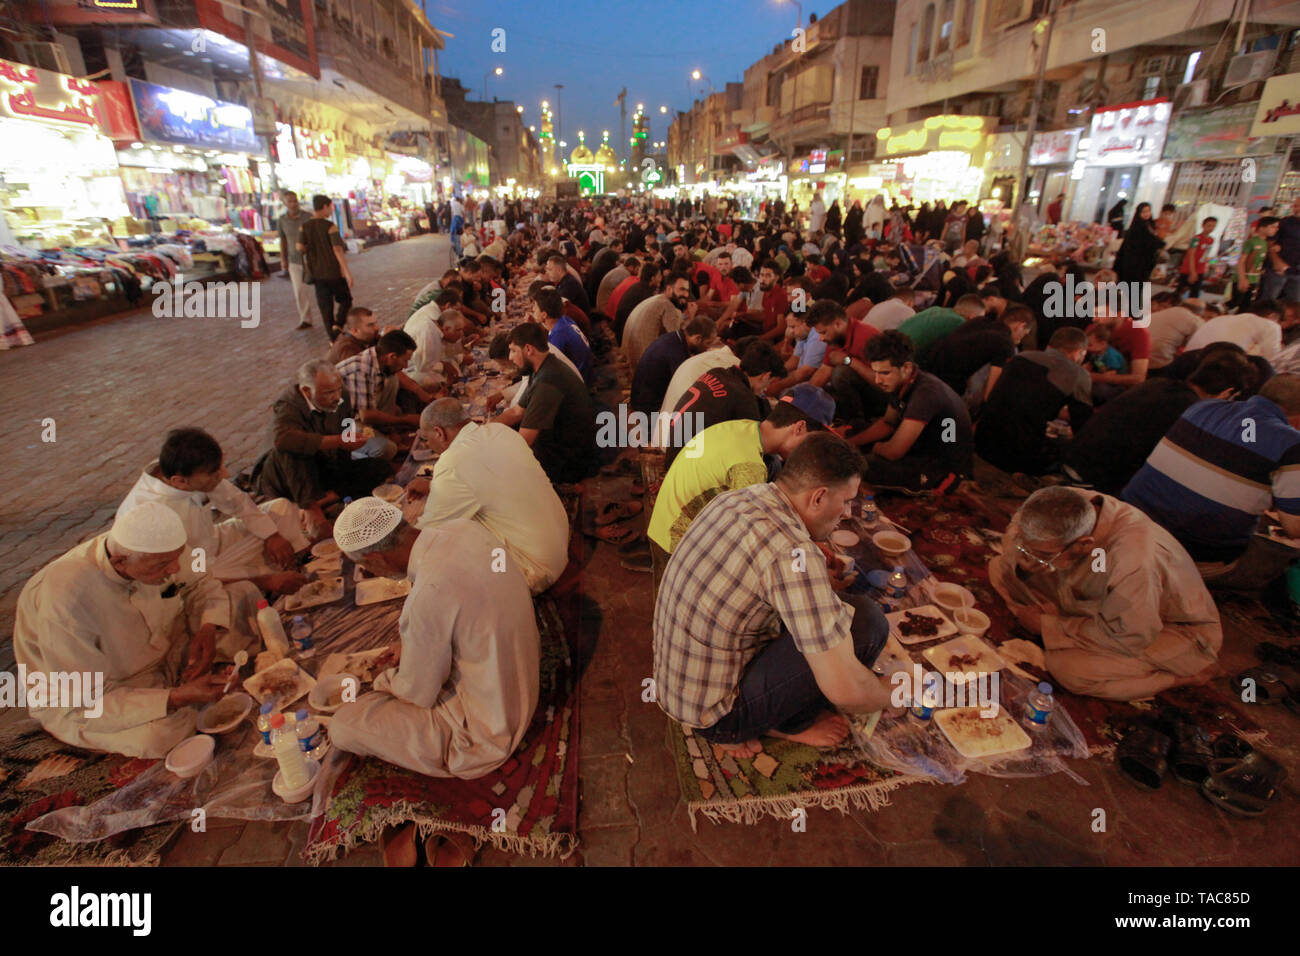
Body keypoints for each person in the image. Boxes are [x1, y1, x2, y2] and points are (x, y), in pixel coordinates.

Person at [653, 433, 893, 756]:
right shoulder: (791, 552)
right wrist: (890, 692)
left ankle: (764, 714)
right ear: (818, 498)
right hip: (716, 716)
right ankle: (791, 723)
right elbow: (844, 689)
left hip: (677, 687)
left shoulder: (741, 497)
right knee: (867, 624)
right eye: (846, 500)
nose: (848, 512)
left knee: (836, 620)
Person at [14, 503, 245, 757]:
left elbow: (201, 581)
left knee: (242, 599)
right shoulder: (65, 600)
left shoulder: (165, 549)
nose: (175, 569)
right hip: (95, 694)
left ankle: (193, 689)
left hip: (164, 651)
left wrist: (208, 628)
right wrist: (175, 698)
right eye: (162, 567)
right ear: (119, 561)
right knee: (159, 736)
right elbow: (85, 701)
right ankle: (188, 698)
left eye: (177, 559)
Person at [329, 500, 539, 779]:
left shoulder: (425, 599)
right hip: (524, 677)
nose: (371, 573)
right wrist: (413, 646)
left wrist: (387, 679)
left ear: (377, 557)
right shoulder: (465, 528)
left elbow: (417, 694)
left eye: (366, 567)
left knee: (343, 726)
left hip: (493, 729)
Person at [989, 487, 1222, 701]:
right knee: (999, 568)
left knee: (1068, 670)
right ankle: (1063, 630)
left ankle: (1186, 677)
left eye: (1041, 553)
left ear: (1084, 544)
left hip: (1169, 629)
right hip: (1099, 603)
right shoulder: (1053, 503)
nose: (1030, 556)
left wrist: (1048, 626)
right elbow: (1016, 532)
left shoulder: (1134, 562)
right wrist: (1021, 560)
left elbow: (1130, 635)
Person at [1122, 373, 1300, 590]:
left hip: (1128, 528)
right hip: (1193, 557)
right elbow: (1295, 528)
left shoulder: (1202, 407)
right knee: (1283, 552)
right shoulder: (1292, 444)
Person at [118, 428, 310, 597]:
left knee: (281, 508)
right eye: (215, 473)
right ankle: (273, 580)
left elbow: (238, 502)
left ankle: (288, 567)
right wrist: (265, 580)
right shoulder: (152, 514)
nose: (225, 475)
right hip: (192, 564)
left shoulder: (183, 468)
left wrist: (272, 535)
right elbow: (186, 572)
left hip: (211, 540)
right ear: (180, 482)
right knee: (214, 578)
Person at [407, 399, 569, 593]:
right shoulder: (502, 432)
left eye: (426, 439)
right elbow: (485, 482)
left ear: (439, 432)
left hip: (534, 569)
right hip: (559, 544)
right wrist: (434, 486)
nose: (429, 445)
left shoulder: (452, 461)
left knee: (442, 560)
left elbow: (428, 535)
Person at [648, 386, 834, 554]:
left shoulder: (743, 427)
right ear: (800, 427)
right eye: (812, 440)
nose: (809, 449)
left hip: (662, 523)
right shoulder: (749, 466)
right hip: (675, 544)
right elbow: (750, 538)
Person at [1063, 350, 1257, 495]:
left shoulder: (1156, 384)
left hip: (1072, 460)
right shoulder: (1190, 411)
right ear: (1227, 393)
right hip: (1095, 482)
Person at [254, 359, 394, 516]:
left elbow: (344, 433)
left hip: (322, 466)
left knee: (380, 468)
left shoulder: (343, 397)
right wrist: (338, 441)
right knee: (295, 447)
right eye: (329, 393)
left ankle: (325, 500)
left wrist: (348, 444)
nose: (336, 397)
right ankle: (310, 509)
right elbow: (282, 439)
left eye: (338, 389)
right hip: (290, 476)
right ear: (307, 391)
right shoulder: (289, 404)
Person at [851, 330, 973, 491]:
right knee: (857, 431)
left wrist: (874, 447)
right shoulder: (903, 381)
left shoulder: (926, 393)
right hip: (922, 446)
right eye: (875, 372)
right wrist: (850, 443)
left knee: (860, 467)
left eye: (885, 373)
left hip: (944, 466)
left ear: (906, 367)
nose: (877, 380)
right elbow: (888, 423)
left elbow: (894, 452)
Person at [974, 327, 1091, 477]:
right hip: (1018, 457)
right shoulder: (1078, 374)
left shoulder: (1020, 357)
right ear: (1078, 352)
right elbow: (1082, 426)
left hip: (982, 443)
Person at [492, 321, 598, 484]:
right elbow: (516, 412)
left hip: (571, 460)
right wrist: (484, 430)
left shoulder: (548, 381)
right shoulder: (543, 366)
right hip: (562, 443)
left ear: (528, 349)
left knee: (499, 469)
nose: (510, 357)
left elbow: (524, 441)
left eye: (513, 351)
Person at [663, 339, 785, 468]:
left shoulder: (717, 372)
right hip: (689, 468)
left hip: (674, 455)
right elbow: (756, 447)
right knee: (772, 464)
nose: (767, 388)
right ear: (765, 376)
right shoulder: (743, 397)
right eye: (770, 382)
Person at [924, 303, 1032, 402]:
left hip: (927, 371)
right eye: (1025, 333)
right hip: (946, 389)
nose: (1021, 339)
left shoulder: (979, 321)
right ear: (1020, 326)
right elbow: (990, 392)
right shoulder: (1006, 343)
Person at [335, 329, 428, 431]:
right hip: (346, 422)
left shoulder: (381, 361)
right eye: (405, 361)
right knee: (385, 446)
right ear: (392, 356)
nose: (406, 366)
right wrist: (403, 419)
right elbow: (366, 416)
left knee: (393, 379)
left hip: (362, 413)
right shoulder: (362, 369)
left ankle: (387, 430)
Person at [629, 316, 715, 416]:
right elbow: (684, 389)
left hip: (642, 397)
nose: (708, 348)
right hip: (648, 409)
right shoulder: (676, 352)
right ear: (697, 338)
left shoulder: (674, 338)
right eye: (708, 343)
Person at [298, 194, 353, 340]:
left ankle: (332, 338)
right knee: (345, 300)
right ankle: (338, 325)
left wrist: (310, 248)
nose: (330, 211)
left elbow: (299, 246)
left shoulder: (304, 227)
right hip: (333, 272)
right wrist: (346, 272)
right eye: (329, 207)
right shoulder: (330, 227)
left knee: (325, 308)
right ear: (324, 207)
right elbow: (337, 249)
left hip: (317, 274)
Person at [622, 272, 695, 370]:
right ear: (669, 289)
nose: (685, 294)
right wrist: (692, 316)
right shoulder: (668, 306)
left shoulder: (657, 299)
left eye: (687, 291)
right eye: (681, 289)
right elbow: (679, 342)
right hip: (643, 366)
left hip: (630, 358)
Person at [1183, 299, 1284, 360]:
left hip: (1186, 361)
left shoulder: (1223, 318)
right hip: (1214, 368)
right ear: (1272, 316)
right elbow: (1271, 358)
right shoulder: (1271, 325)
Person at [896, 294, 985, 362]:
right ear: (972, 316)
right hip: (905, 361)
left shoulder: (935, 309)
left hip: (892, 350)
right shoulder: (958, 323)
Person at [276, 190, 316, 329]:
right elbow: (283, 240)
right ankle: (306, 319)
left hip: (311, 258)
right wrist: (283, 260)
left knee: (321, 287)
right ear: (284, 203)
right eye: (290, 201)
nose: (293, 204)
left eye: (295, 200)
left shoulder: (308, 217)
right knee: (299, 289)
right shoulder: (282, 220)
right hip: (294, 259)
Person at [404, 295, 463, 387]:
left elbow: (442, 353)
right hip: (413, 370)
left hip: (425, 365)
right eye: (458, 330)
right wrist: (444, 366)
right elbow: (423, 366)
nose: (461, 334)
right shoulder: (428, 330)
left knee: (453, 363)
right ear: (446, 329)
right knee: (432, 381)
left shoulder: (437, 326)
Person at [1231, 215, 1280, 311]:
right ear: (1262, 228)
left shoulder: (1265, 243)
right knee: (1234, 303)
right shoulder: (1251, 242)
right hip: (1244, 278)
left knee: (1246, 306)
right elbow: (1241, 261)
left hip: (1254, 279)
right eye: (1273, 227)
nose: (1276, 230)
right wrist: (1242, 278)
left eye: (1277, 227)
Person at [1145, 293, 1204, 371]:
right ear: (1200, 313)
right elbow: (1195, 349)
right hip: (1158, 366)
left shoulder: (1159, 313)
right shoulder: (1195, 320)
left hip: (1135, 360)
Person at [1113, 202, 1165, 285]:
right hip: (1135, 263)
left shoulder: (1150, 225)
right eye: (1143, 212)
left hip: (1144, 263)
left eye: (1148, 211)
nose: (1146, 214)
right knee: (1134, 286)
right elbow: (1144, 243)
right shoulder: (1137, 227)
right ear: (1139, 213)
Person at [1176, 216, 1218, 299]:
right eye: (1209, 225)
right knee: (1179, 293)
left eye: (1213, 226)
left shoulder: (1211, 240)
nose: (1211, 228)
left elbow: (1206, 254)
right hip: (1188, 270)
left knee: (1195, 294)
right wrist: (1192, 272)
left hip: (1200, 270)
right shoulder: (1196, 239)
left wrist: (1209, 264)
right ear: (1203, 225)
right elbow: (1191, 255)